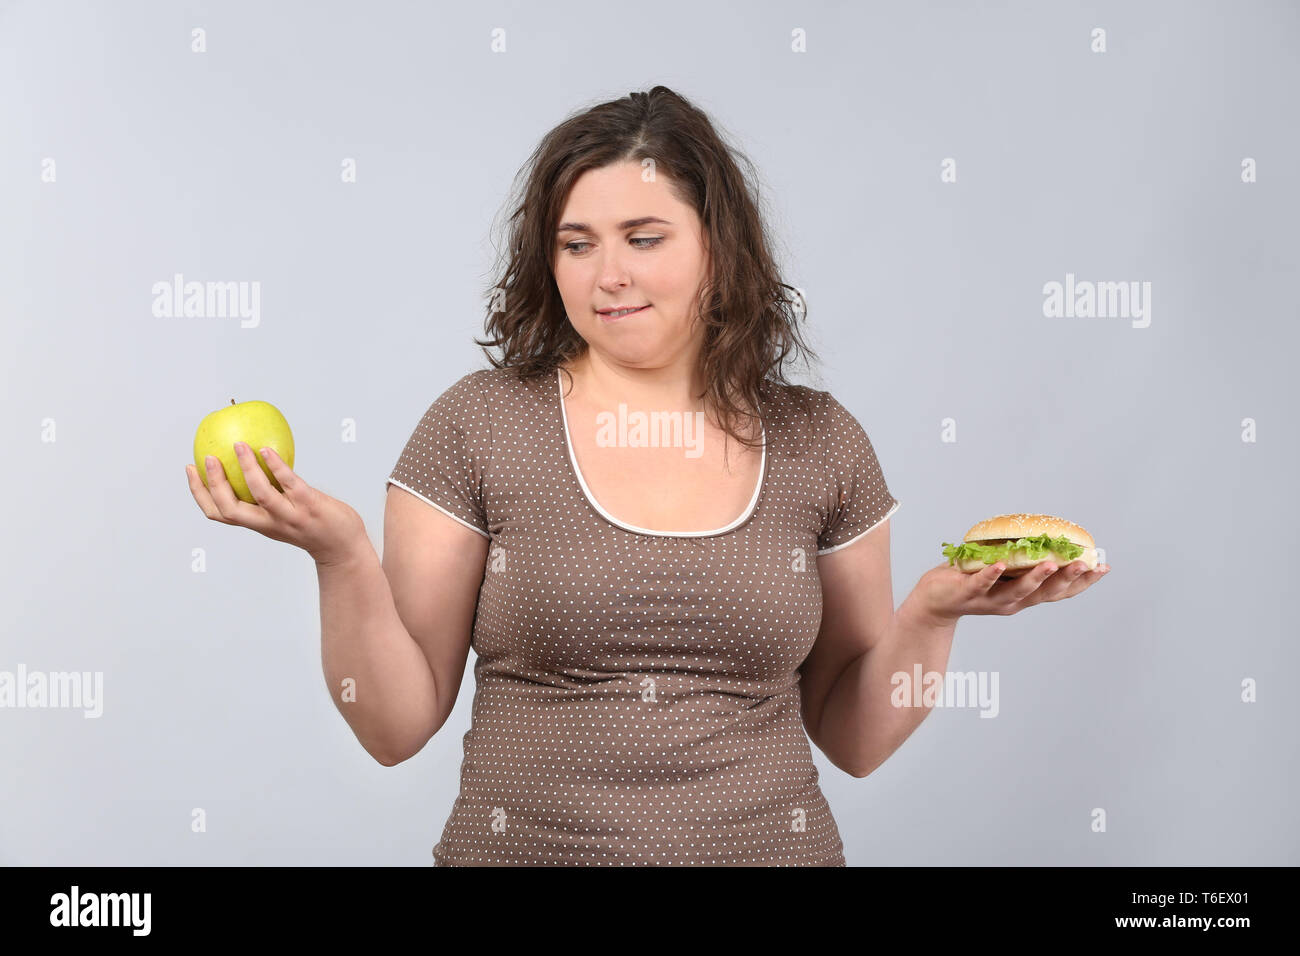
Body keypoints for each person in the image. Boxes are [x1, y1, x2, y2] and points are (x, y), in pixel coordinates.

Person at [184, 86, 1109, 866]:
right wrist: (340, 557)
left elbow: (854, 739)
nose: (607, 274)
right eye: (576, 243)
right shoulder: (476, 424)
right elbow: (392, 730)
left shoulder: (821, 442)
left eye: (644, 237)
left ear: (719, 246)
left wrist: (931, 617)